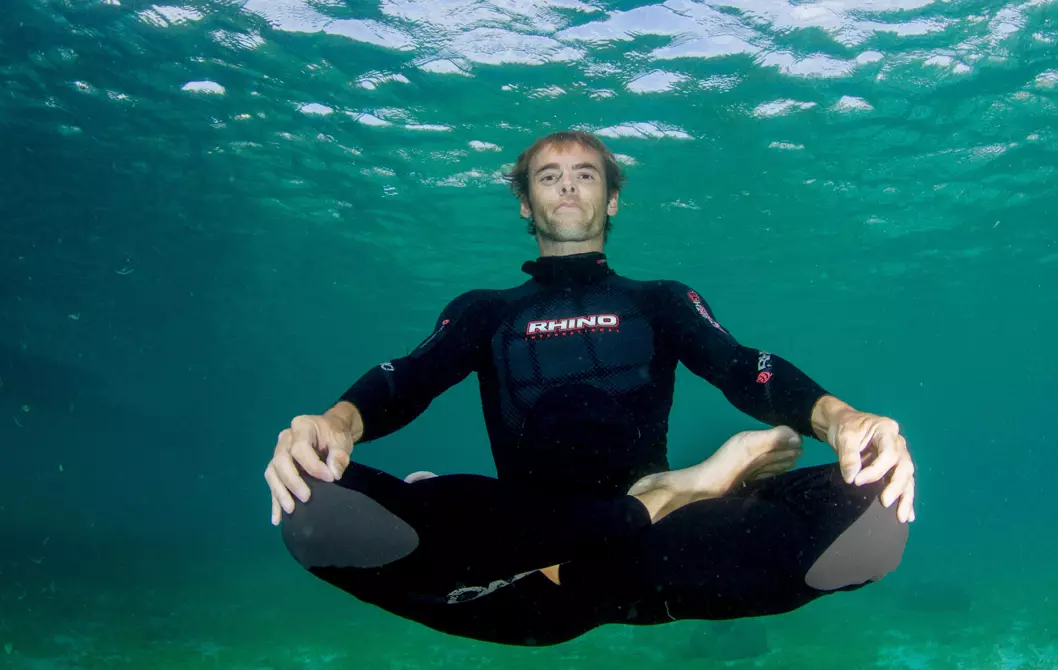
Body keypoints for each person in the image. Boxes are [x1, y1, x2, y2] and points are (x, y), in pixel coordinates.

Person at [264, 130, 917, 647]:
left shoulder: (659, 300)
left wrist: (843, 420)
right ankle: (672, 492)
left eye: (585, 175)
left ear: (611, 199)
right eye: (549, 176)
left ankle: (638, 515)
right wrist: (335, 424)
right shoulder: (484, 310)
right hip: (527, 525)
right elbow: (406, 378)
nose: (568, 186)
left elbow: (744, 365)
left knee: (874, 509)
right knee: (313, 508)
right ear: (526, 202)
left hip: (651, 552)